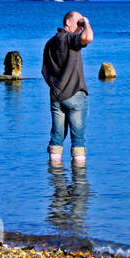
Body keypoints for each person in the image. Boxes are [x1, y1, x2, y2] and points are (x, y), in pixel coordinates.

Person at [41, 11, 93, 166]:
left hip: (56, 96)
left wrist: (55, 87)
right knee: (78, 140)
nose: (80, 27)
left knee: (56, 137)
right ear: (68, 23)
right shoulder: (69, 38)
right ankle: (79, 183)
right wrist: (87, 24)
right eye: (78, 23)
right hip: (75, 94)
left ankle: (56, 179)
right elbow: (88, 37)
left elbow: (44, 72)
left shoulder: (50, 43)